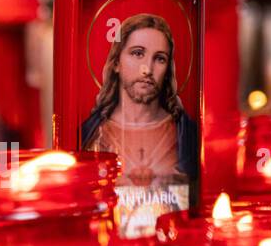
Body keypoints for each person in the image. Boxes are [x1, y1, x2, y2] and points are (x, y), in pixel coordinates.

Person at [80, 13, 198, 184]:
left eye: (159, 58)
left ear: (167, 70)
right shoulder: (91, 133)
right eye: (137, 53)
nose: (147, 69)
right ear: (116, 63)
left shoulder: (186, 133)